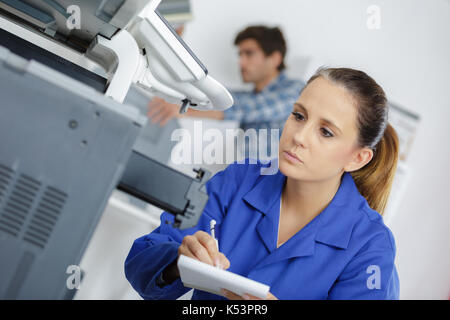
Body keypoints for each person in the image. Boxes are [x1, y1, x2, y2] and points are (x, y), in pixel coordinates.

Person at [124, 67, 400, 300]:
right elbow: (142, 260)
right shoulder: (239, 179)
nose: (299, 136)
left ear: (357, 158)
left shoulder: (370, 246)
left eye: (326, 132)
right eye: (299, 116)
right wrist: (179, 260)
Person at [147, 25, 305, 157]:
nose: (241, 62)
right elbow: (215, 95)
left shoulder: (296, 91)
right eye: (240, 54)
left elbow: (242, 108)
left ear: (275, 59)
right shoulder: (250, 96)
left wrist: (184, 108)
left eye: (249, 53)